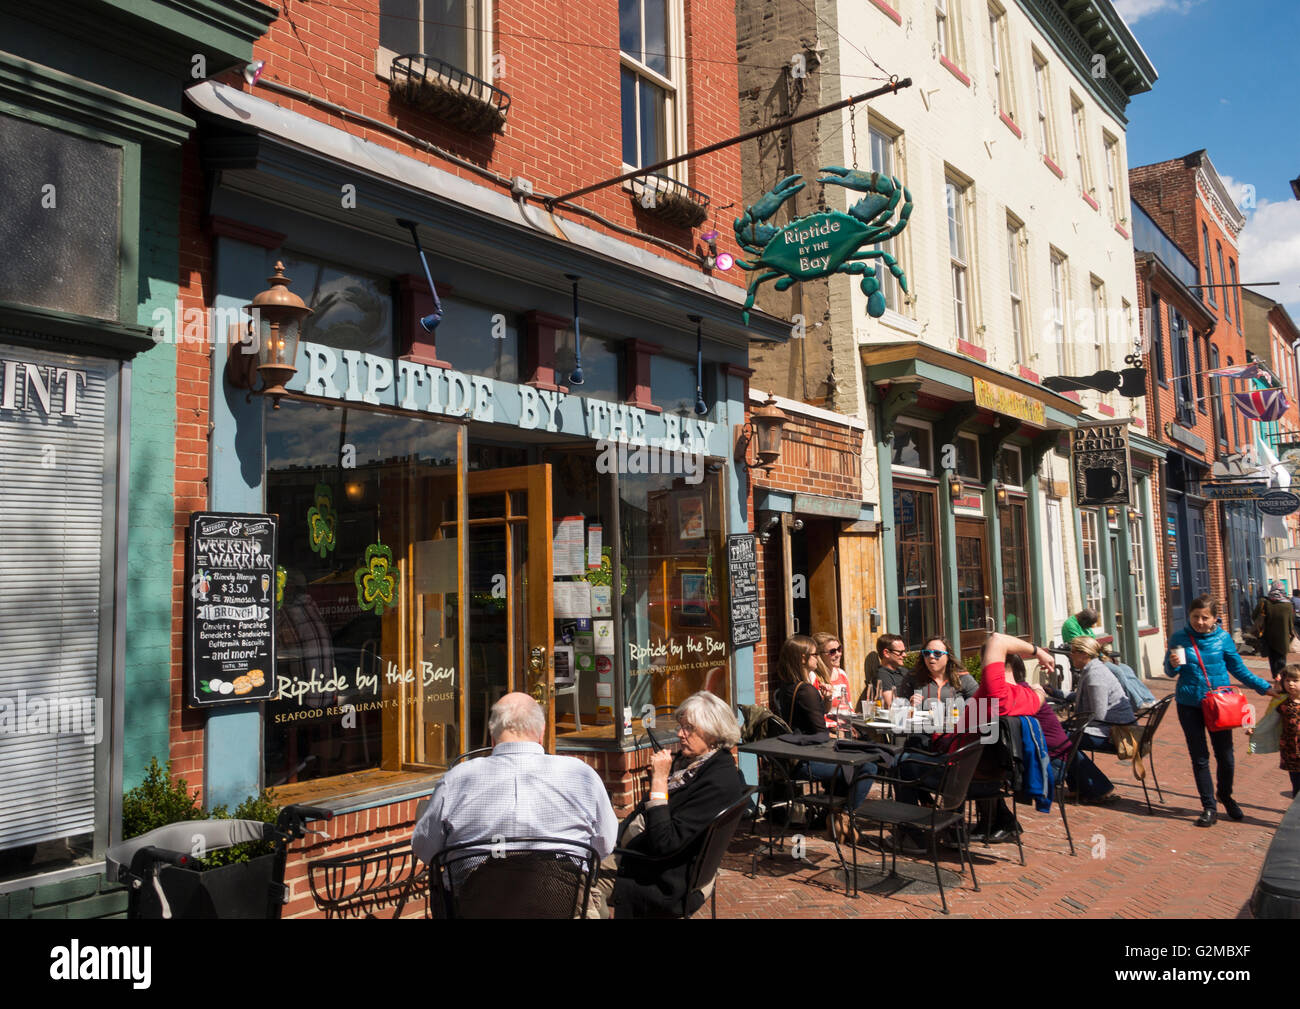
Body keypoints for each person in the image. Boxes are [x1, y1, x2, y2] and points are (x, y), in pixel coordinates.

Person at [411, 693, 618, 877]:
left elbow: (425, 849)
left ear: (492, 736)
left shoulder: (457, 779)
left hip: (474, 906)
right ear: (542, 733)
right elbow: (605, 843)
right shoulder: (580, 775)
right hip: (562, 905)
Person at [609, 691, 746, 917]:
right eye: (680, 726)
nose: (680, 734)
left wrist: (660, 781)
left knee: (573, 882)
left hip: (657, 876)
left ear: (713, 733)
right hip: (638, 853)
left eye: (689, 728)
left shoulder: (717, 781)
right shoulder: (693, 765)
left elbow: (664, 843)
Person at [1165, 594, 1278, 827]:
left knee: (1225, 756)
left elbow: (1239, 669)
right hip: (1189, 703)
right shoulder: (1180, 637)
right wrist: (1172, 664)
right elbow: (1170, 671)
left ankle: (1225, 795)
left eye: (1205, 617)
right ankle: (1209, 806)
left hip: (1219, 705)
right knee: (1200, 757)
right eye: (1195, 617)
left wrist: (1265, 688)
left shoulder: (1223, 639)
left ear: (1215, 618)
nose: (1199, 622)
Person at [771, 635, 874, 812]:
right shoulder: (806, 690)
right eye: (814, 654)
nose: (817, 658)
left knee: (853, 762)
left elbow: (810, 721)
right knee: (867, 766)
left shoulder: (788, 686)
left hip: (794, 757)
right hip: (807, 761)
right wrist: (837, 735)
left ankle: (832, 815)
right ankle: (844, 815)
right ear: (803, 658)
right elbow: (820, 734)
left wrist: (825, 701)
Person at [1064, 635, 1136, 803]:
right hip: (1109, 727)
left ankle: (1100, 788)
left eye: (1072, 652)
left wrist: (1072, 726)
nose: (1070, 655)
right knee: (1060, 734)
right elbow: (1084, 697)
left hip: (1118, 734)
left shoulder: (1096, 675)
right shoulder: (1092, 669)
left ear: (1083, 654)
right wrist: (1056, 694)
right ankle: (1078, 787)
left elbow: (1097, 715)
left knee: (1064, 740)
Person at [1061, 608, 1155, 710]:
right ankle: (1137, 703)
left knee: (1126, 669)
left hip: (1099, 657)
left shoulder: (1084, 624)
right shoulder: (1071, 626)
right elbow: (1087, 649)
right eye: (1089, 625)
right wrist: (1104, 658)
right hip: (1091, 661)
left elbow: (1095, 644)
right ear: (1083, 620)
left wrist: (1107, 656)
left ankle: (1148, 699)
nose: (1090, 627)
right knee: (1118, 672)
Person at [897, 636, 977, 708]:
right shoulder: (912, 677)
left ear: (948, 657)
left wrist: (964, 707)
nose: (931, 656)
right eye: (927, 653)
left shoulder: (963, 677)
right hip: (923, 724)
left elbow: (979, 702)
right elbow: (899, 707)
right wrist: (909, 706)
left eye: (937, 653)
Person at [1253, 582, 1296, 679]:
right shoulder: (1288, 604)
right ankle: (1281, 679)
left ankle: (1275, 676)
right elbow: (1291, 622)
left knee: (1272, 659)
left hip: (1268, 636)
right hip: (1283, 637)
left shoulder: (1264, 602)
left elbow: (1254, 616)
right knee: (1281, 659)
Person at [812, 630, 852, 728]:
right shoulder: (814, 677)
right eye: (832, 652)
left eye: (839, 649)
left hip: (846, 726)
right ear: (820, 655)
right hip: (828, 729)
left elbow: (849, 707)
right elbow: (817, 715)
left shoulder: (842, 674)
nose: (838, 654)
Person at [858, 634, 909, 709]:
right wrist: (911, 701)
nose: (905, 655)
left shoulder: (904, 671)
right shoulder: (882, 675)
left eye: (904, 651)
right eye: (900, 652)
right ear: (886, 653)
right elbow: (891, 704)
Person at [1277, 665, 1300, 799]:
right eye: (1287, 680)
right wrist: (1255, 731)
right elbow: (1270, 721)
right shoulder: (1282, 701)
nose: (1290, 684)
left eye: (1295, 680)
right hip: (1291, 750)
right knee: (1296, 785)